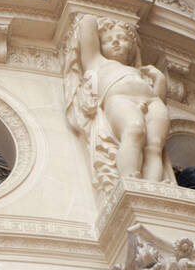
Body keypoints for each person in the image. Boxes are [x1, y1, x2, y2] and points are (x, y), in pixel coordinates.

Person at [65, 14, 174, 186]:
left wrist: (159, 79)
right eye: (108, 40)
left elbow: (159, 99)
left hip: (152, 102)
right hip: (119, 98)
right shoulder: (96, 62)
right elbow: (87, 23)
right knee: (134, 130)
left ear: (132, 46)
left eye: (122, 38)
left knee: (154, 146)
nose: (116, 42)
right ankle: (130, 180)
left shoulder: (138, 71)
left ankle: (152, 187)